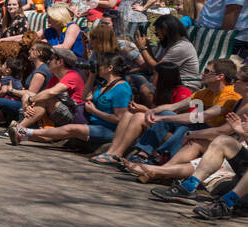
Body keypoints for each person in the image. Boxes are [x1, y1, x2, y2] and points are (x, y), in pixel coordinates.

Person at [99, 58, 241, 164]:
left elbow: (201, 117)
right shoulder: (205, 92)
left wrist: (161, 118)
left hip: (214, 134)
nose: (202, 73)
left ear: (219, 76)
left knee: (185, 124)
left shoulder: (230, 95)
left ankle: (161, 157)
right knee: (165, 114)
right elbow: (174, 107)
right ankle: (142, 155)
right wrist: (153, 112)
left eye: (207, 71)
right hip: (200, 127)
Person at [9, 54, 133, 147]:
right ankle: (23, 137)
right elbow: (85, 98)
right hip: (91, 122)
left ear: (110, 68)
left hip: (107, 129)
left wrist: (95, 111)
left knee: (71, 129)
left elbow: (119, 118)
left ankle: (23, 130)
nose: (97, 67)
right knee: (63, 133)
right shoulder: (105, 84)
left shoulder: (122, 88)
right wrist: (92, 76)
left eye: (100, 65)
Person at [7, 48, 87, 141]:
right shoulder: (54, 78)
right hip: (60, 113)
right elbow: (43, 95)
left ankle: (18, 128)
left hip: (75, 115)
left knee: (45, 98)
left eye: (52, 58)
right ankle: (21, 135)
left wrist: (30, 100)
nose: (48, 61)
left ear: (60, 62)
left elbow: (51, 92)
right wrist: (30, 105)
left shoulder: (72, 75)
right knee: (49, 137)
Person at [134, 14, 199, 89]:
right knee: (132, 80)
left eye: (157, 33)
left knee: (144, 88)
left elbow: (158, 68)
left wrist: (142, 48)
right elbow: (155, 64)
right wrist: (147, 47)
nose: (157, 36)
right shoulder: (168, 44)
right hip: (169, 82)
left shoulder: (181, 47)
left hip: (185, 86)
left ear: (165, 30)